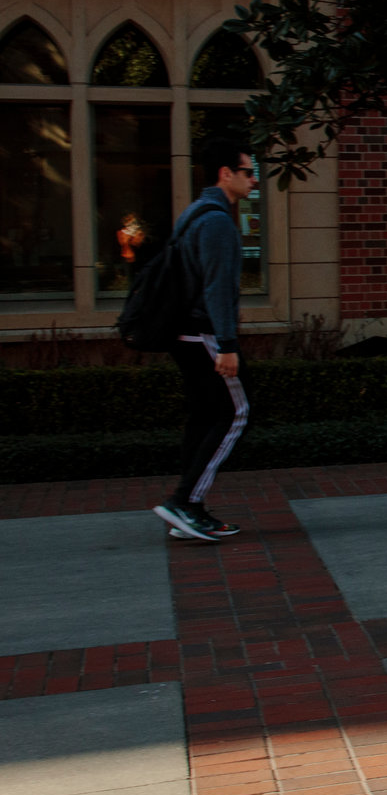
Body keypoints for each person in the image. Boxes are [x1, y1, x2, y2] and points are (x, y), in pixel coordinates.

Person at [154, 139, 257, 543]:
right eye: (248, 172)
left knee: (204, 415)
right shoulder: (215, 221)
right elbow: (216, 289)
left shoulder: (193, 213)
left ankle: (188, 512)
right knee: (238, 412)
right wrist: (228, 345)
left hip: (185, 333)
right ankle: (186, 502)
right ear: (225, 174)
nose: (254, 180)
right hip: (205, 334)